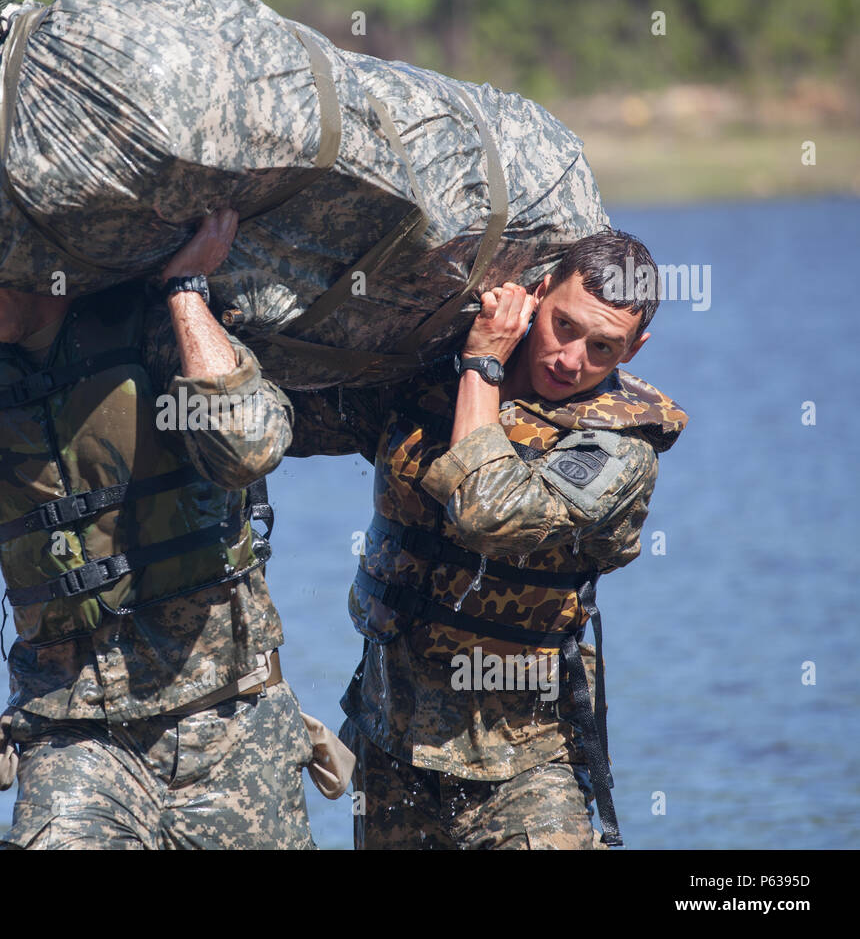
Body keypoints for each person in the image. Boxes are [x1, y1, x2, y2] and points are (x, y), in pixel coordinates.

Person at [0, 184, 347, 849]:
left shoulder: (154, 327)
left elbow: (248, 447)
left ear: (11, 235)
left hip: (227, 718)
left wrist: (184, 289)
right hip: (73, 733)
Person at [288, 229, 688, 849]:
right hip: (391, 742)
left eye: (604, 346)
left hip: (525, 767)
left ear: (635, 349)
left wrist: (482, 364)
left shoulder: (619, 446)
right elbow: (292, 420)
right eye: (564, 326)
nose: (570, 359)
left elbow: (487, 512)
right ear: (535, 295)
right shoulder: (427, 385)